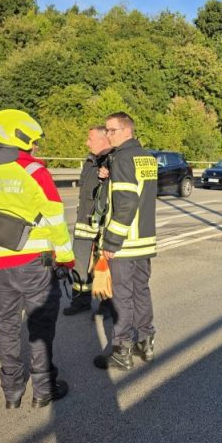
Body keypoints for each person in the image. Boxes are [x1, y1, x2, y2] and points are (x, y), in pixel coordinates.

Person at [0, 109, 74, 409]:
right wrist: (66, 258)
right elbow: (55, 218)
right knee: (40, 327)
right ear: (19, 138)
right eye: (32, 141)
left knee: (8, 328)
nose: (35, 147)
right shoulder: (33, 171)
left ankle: (11, 391)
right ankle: (43, 390)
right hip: (35, 265)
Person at [93, 112, 157, 371]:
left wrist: (111, 241)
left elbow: (127, 202)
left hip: (125, 243)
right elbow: (139, 194)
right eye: (106, 131)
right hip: (145, 240)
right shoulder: (147, 158)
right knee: (142, 292)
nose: (107, 135)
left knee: (122, 297)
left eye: (111, 130)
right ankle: (146, 341)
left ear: (126, 130)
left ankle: (122, 350)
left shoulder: (121, 157)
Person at [63, 126, 112, 316]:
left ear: (103, 139)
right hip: (84, 222)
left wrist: (108, 178)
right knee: (80, 265)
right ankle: (80, 301)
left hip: (101, 225)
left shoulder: (112, 160)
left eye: (90, 138)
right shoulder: (90, 161)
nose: (87, 142)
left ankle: (106, 305)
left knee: (103, 267)